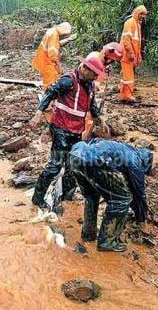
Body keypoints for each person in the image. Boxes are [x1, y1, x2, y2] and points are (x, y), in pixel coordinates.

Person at [29, 53, 110, 209]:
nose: (94, 77)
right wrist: (39, 113)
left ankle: (67, 197)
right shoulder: (68, 80)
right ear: (84, 68)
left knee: (73, 165)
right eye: (93, 73)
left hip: (76, 130)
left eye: (96, 75)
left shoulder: (89, 85)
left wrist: (101, 119)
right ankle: (37, 199)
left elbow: (91, 105)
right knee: (55, 165)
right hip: (61, 128)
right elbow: (49, 93)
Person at [68, 139, 153, 252]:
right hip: (95, 160)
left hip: (76, 155)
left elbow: (95, 142)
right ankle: (107, 242)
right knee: (121, 200)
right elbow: (139, 194)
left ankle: (88, 234)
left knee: (91, 196)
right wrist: (142, 219)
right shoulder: (136, 161)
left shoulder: (123, 148)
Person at [118, 5, 148, 104]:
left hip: (131, 55)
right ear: (137, 13)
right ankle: (127, 96)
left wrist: (138, 55)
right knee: (128, 77)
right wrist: (131, 53)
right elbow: (126, 41)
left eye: (144, 15)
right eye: (141, 14)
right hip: (127, 55)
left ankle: (124, 94)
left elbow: (137, 43)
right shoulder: (130, 22)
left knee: (126, 76)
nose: (142, 17)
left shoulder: (137, 24)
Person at [31, 22, 72, 89]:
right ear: (63, 29)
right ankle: (47, 98)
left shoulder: (51, 30)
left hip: (43, 60)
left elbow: (55, 44)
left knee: (48, 84)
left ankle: (47, 97)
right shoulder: (54, 35)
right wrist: (58, 66)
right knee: (50, 85)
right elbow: (53, 54)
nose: (63, 35)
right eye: (64, 33)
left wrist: (68, 40)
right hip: (48, 63)